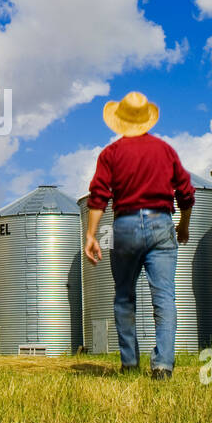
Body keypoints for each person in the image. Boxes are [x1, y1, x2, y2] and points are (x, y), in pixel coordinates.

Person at [83, 91, 194, 379]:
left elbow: (98, 197)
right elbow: (186, 192)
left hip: (125, 225)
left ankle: (130, 363)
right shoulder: (165, 151)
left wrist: (91, 235)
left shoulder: (111, 154)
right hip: (161, 222)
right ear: (147, 120)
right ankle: (162, 367)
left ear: (119, 121)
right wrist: (183, 225)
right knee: (165, 298)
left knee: (123, 297)